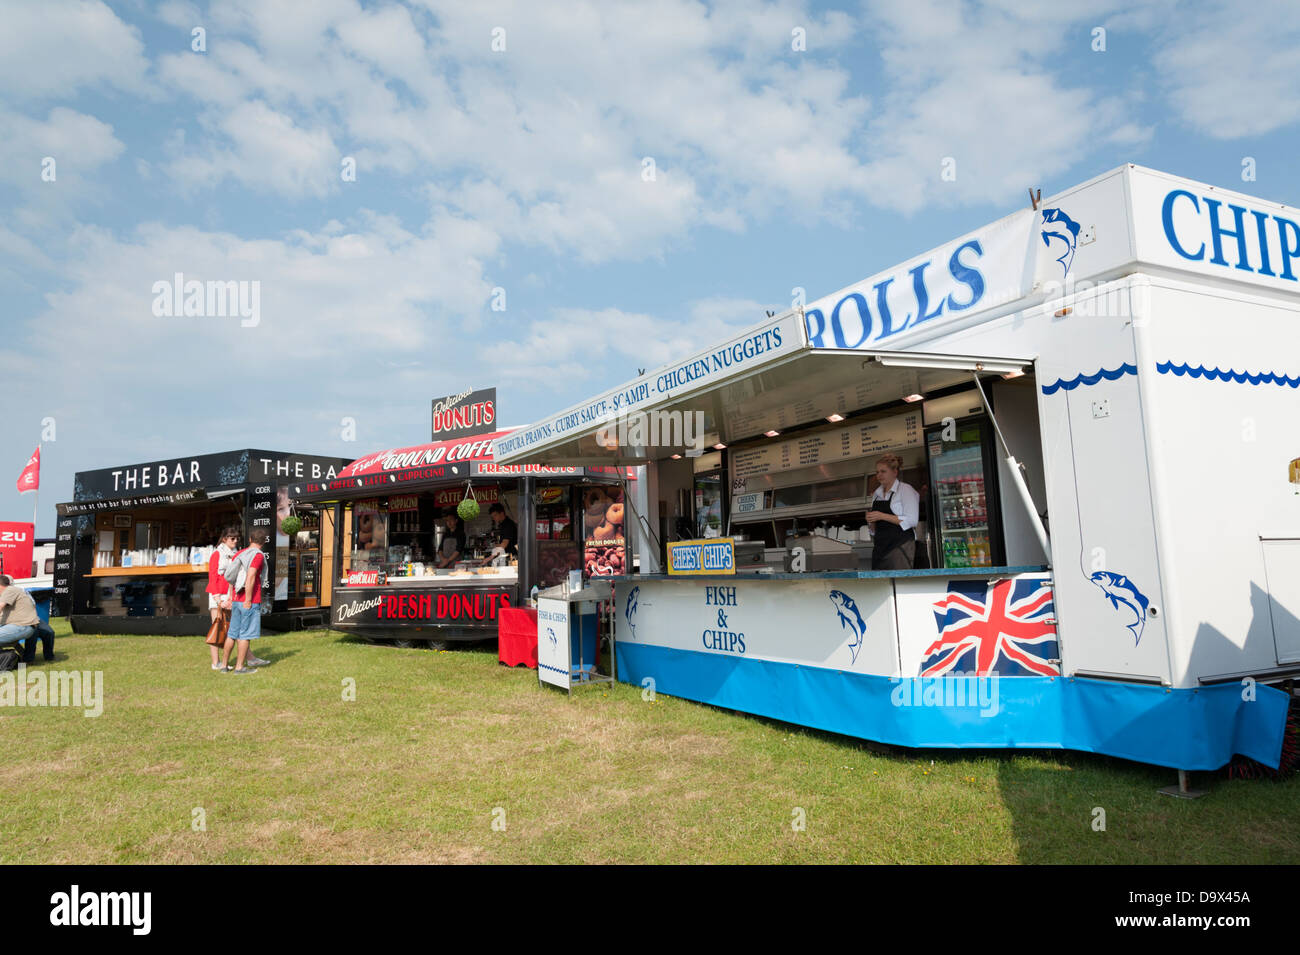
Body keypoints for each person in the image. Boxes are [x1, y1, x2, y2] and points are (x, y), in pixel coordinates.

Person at [222, 528, 270, 674]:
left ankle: (224, 666)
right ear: (263, 542)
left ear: (250, 539)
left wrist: (231, 596)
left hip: (236, 598)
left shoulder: (239, 553)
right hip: (249, 600)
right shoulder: (257, 556)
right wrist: (248, 600)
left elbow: (232, 576)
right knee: (245, 635)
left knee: (232, 633)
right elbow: (250, 576)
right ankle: (239, 667)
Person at [864, 453, 920, 570]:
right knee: (881, 586)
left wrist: (882, 516)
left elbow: (912, 520)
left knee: (901, 585)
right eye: (877, 472)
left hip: (900, 547)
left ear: (895, 472)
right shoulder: (876, 494)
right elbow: (874, 530)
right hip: (880, 549)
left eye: (883, 471)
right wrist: (871, 522)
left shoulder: (905, 490)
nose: (879, 475)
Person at [206, 527, 239, 670]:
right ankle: (216, 662)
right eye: (232, 538)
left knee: (231, 628)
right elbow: (212, 577)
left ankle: (227, 660)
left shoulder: (236, 553)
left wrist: (232, 597)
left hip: (231, 594)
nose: (235, 541)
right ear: (224, 539)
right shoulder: (217, 554)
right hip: (218, 594)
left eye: (237, 538)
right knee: (217, 625)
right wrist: (219, 599)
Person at [0, 575, 40, 660]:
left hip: (23, 626)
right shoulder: (8, 593)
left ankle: (11, 659)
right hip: (20, 625)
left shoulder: (9, 590)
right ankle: (18, 658)